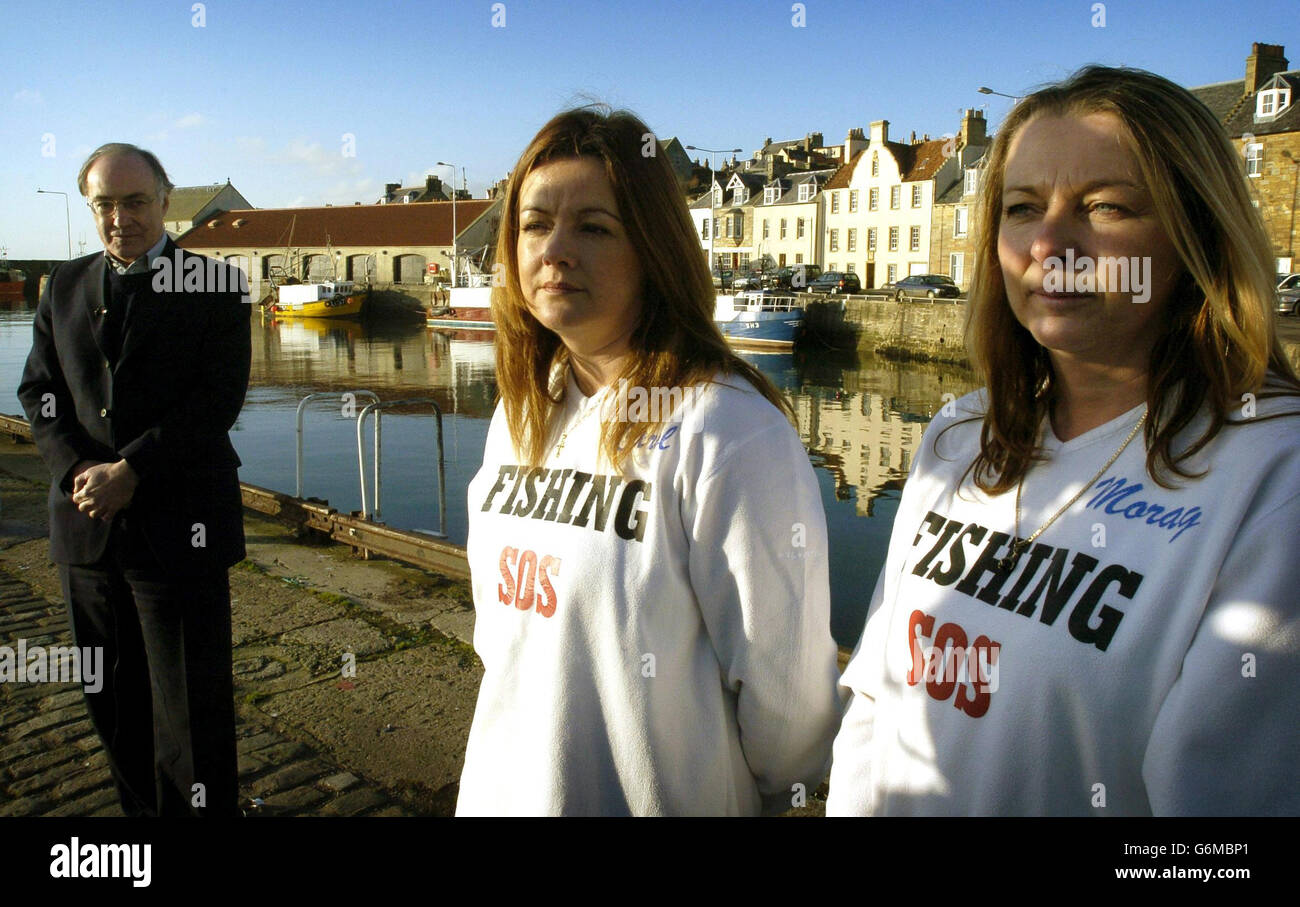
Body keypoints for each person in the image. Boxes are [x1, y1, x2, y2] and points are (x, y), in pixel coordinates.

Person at [827, 65, 1300, 816]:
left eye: (1106, 207)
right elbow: (877, 698)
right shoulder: (958, 436)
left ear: (1197, 237)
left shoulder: (1272, 476)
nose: (1050, 242)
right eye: (1022, 208)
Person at [455, 107, 842, 816]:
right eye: (535, 223)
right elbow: (502, 636)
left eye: (594, 227)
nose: (555, 250)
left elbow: (788, 711)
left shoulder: (728, 431)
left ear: (655, 250)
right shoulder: (523, 413)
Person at [17, 143, 251, 816]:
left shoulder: (215, 285)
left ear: (165, 200)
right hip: (87, 533)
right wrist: (78, 470)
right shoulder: (61, 286)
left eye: (135, 202)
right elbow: (39, 392)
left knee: (191, 716)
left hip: (181, 535)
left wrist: (134, 469)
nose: (121, 218)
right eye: (105, 204)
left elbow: (216, 400)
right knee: (113, 707)